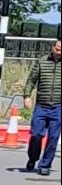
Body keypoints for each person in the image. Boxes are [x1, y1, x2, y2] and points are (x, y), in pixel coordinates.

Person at [24, 39, 62, 176]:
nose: (58, 52)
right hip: (41, 105)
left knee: (53, 137)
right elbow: (31, 80)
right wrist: (27, 96)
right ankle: (33, 158)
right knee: (36, 135)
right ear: (53, 47)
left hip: (58, 107)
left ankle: (45, 165)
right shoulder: (42, 62)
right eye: (57, 49)